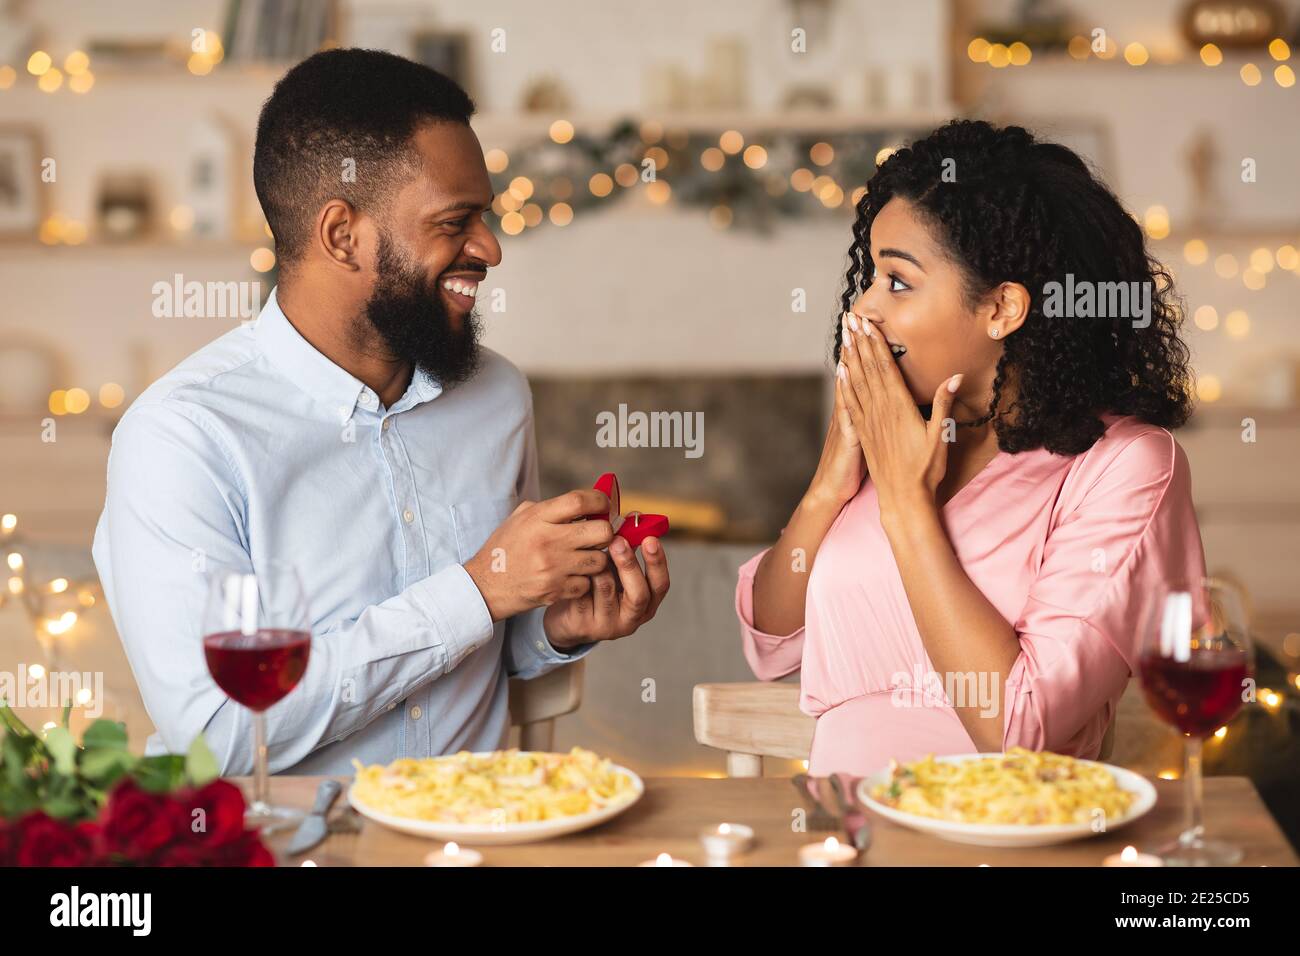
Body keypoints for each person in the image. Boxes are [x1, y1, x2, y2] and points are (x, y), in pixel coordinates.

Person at [93, 49, 669, 775]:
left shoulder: (497, 396)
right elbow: (223, 736)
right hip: (288, 846)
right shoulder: (183, 437)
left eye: (484, 217)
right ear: (342, 235)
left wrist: (553, 627)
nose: (489, 248)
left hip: (473, 834)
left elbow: (480, 640)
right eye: (456, 222)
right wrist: (478, 585)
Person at [736, 120, 1205, 775]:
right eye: (871, 276)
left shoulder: (1125, 466)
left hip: (1004, 835)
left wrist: (905, 500)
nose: (863, 309)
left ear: (1002, 309)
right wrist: (829, 484)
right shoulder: (909, 425)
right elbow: (770, 641)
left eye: (897, 281)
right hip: (846, 833)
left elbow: (1021, 726)